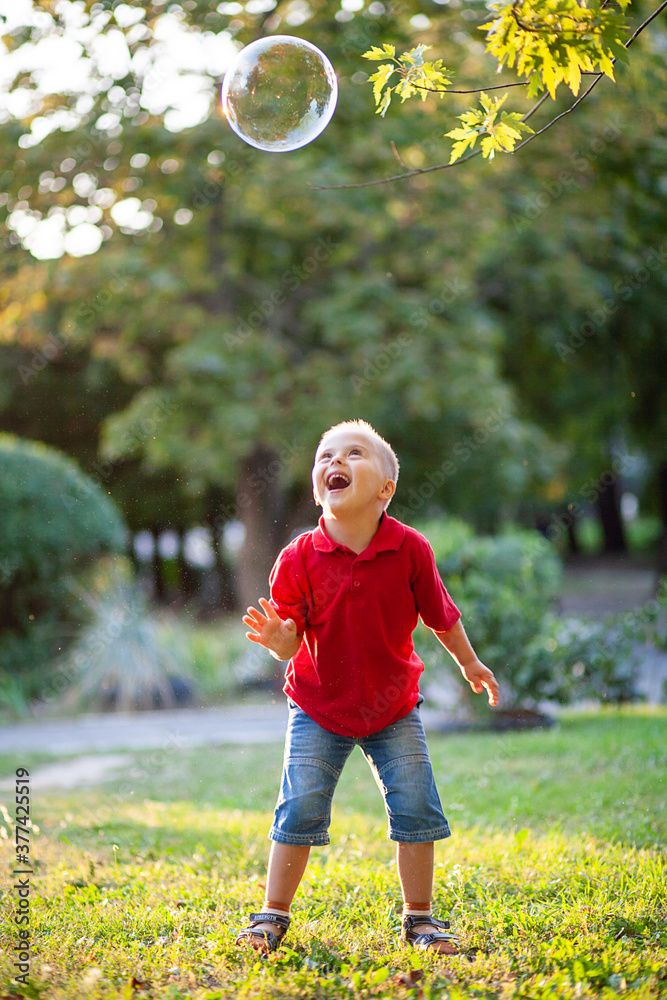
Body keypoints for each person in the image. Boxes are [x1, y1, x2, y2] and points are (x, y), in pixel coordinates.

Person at [236, 419, 499, 956]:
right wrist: (278, 640)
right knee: (300, 806)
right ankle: (273, 913)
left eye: (353, 453)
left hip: (393, 707)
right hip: (317, 705)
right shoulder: (297, 558)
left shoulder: (410, 550)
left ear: (386, 488)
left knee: (416, 805)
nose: (335, 462)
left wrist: (471, 663)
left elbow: (441, 617)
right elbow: (289, 642)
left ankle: (419, 920)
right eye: (324, 456)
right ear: (316, 486)